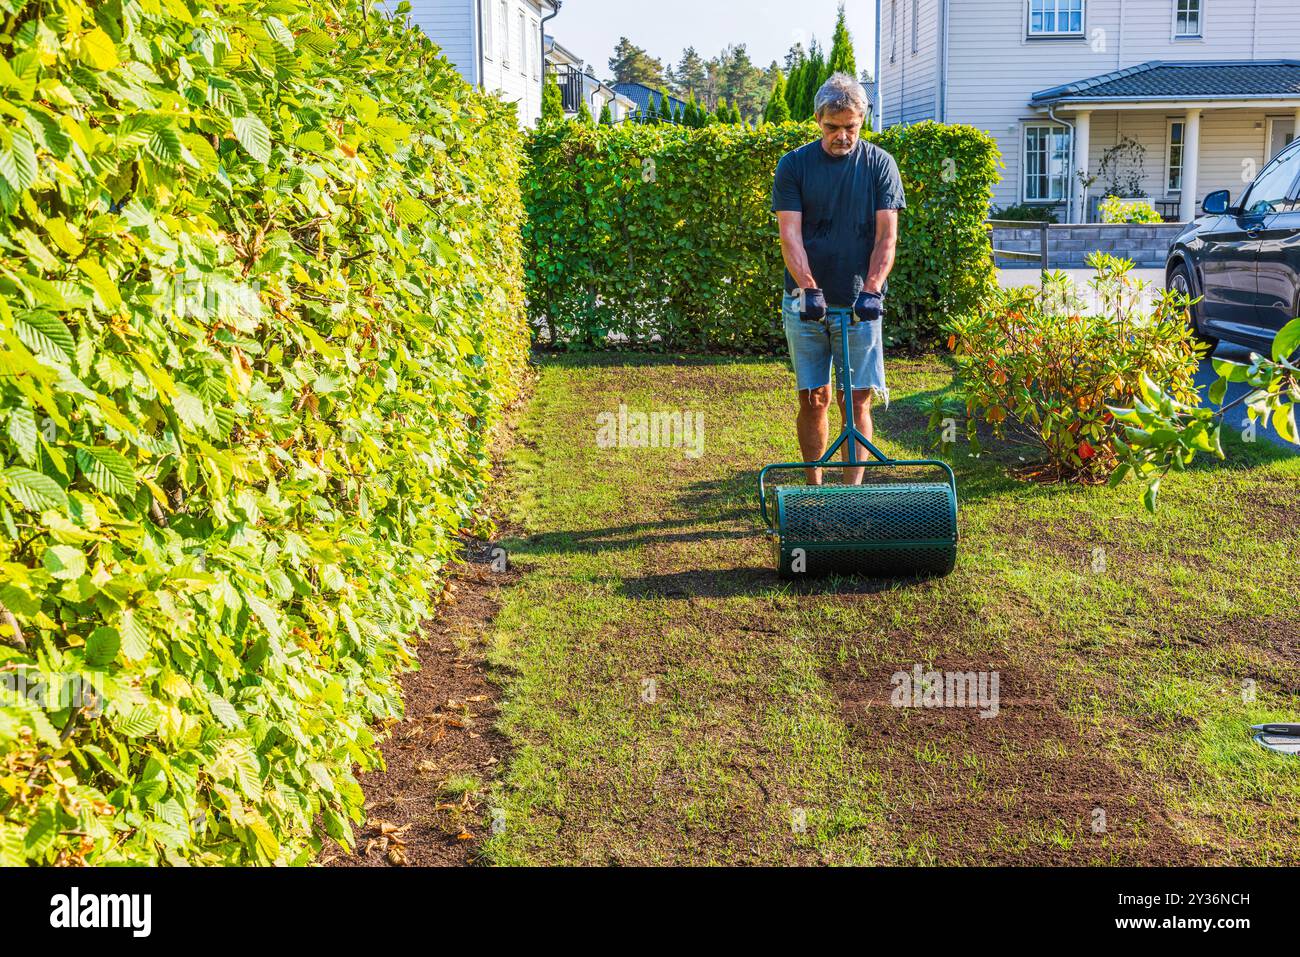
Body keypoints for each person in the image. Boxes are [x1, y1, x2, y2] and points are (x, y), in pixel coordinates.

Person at [771, 72, 906, 485]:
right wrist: (809, 288)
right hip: (805, 303)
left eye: (851, 127)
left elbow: (886, 237)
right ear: (817, 120)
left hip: (860, 305)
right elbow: (790, 235)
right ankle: (813, 488)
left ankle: (852, 492)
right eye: (833, 127)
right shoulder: (794, 165)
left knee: (856, 400)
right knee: (815, 398)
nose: (843, 136)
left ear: (862, 121)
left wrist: (872, 288)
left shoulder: (880, 164)